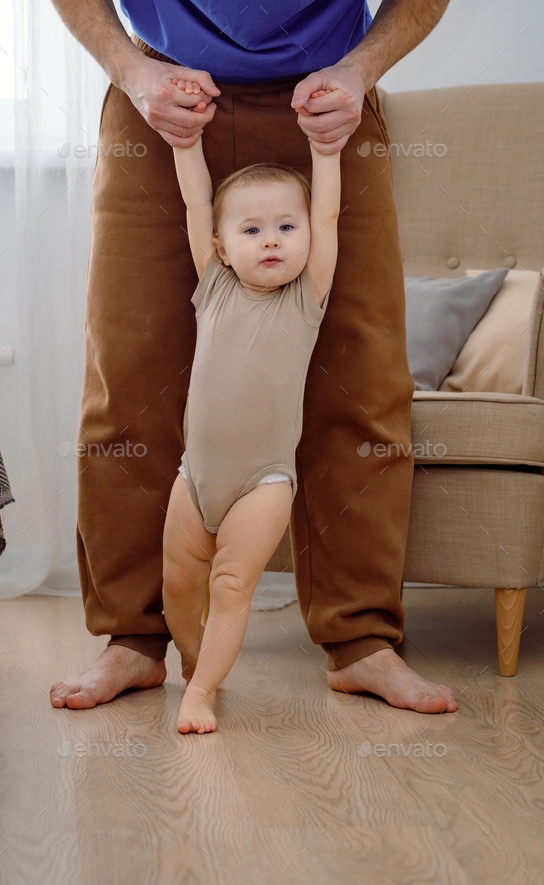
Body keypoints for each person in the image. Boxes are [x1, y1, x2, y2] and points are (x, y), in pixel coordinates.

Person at [49, 0, 458, 715]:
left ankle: (362, 639)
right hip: (160, 94)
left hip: (326, 92)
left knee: (363, 381)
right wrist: (132, 72)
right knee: (131, 368)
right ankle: (132, 638)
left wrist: (360, 70)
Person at [163, 82, 339, 733]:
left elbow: (327, 218)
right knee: (179, 585)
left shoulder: (305, 298)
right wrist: (186, 141)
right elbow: (195, 199)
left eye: (285, 227)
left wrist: (327, 150)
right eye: (253, 229)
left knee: (231, 583)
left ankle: (202, 691)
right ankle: (191, 655)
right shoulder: (214, 287)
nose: (272, 240)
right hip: (194, 475)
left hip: (264, 478)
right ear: (221, 244)